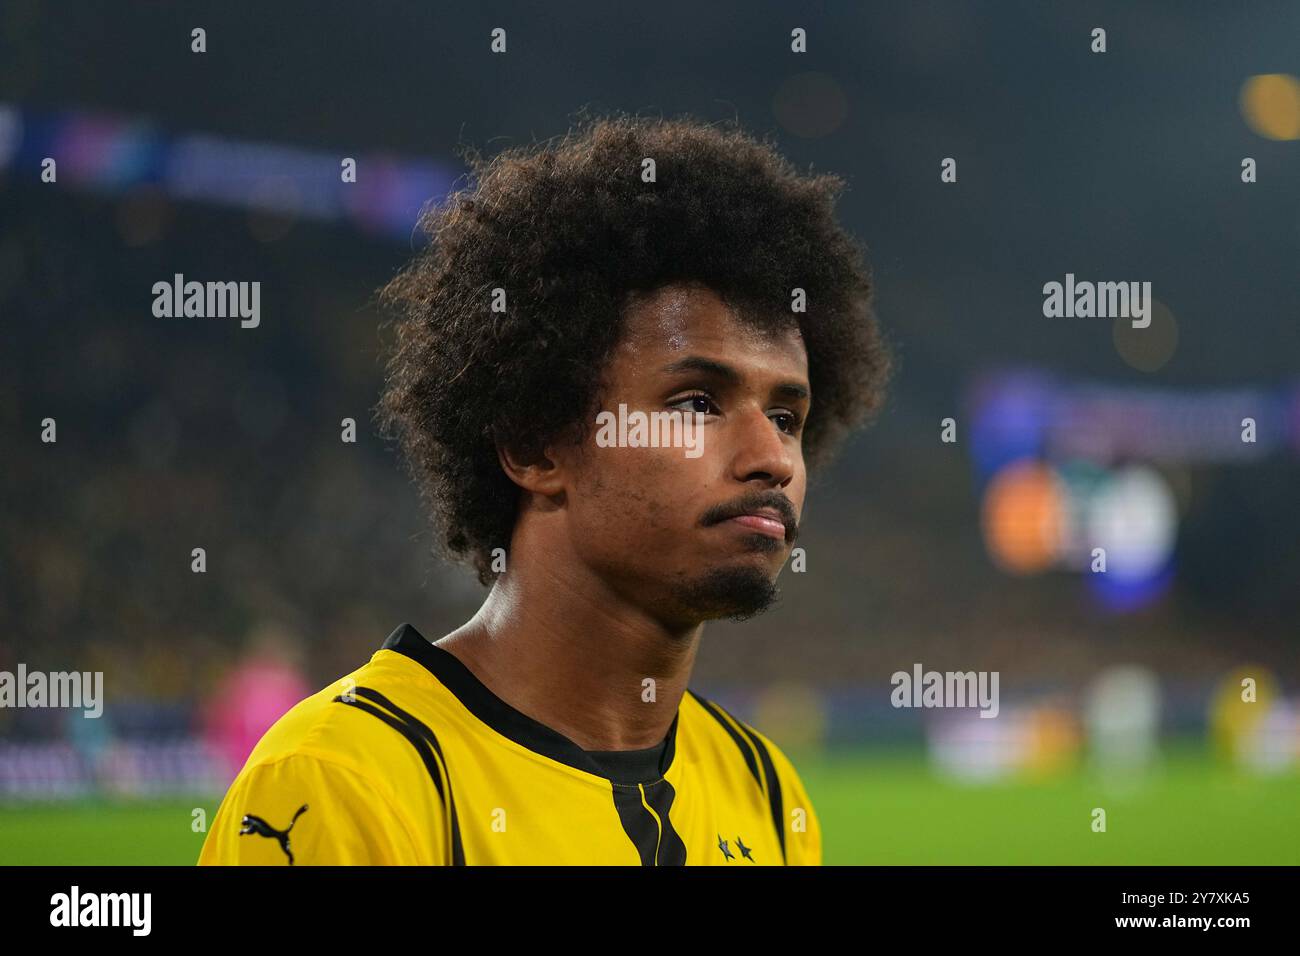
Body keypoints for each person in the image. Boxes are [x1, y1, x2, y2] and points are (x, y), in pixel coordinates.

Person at [199, 112, 889, 865]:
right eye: (695, 404)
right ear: (534, 445)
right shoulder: (343, 785)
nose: (773, 459)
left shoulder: (766, 792)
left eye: (788, 417)